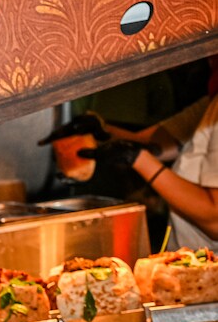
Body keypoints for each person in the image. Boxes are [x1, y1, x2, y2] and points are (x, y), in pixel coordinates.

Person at [43, 84, 218, 248]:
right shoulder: (212, 102)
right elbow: (155, 143)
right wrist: (101, 131)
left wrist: (137, 158)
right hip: (188, 260)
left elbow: (215, 221)